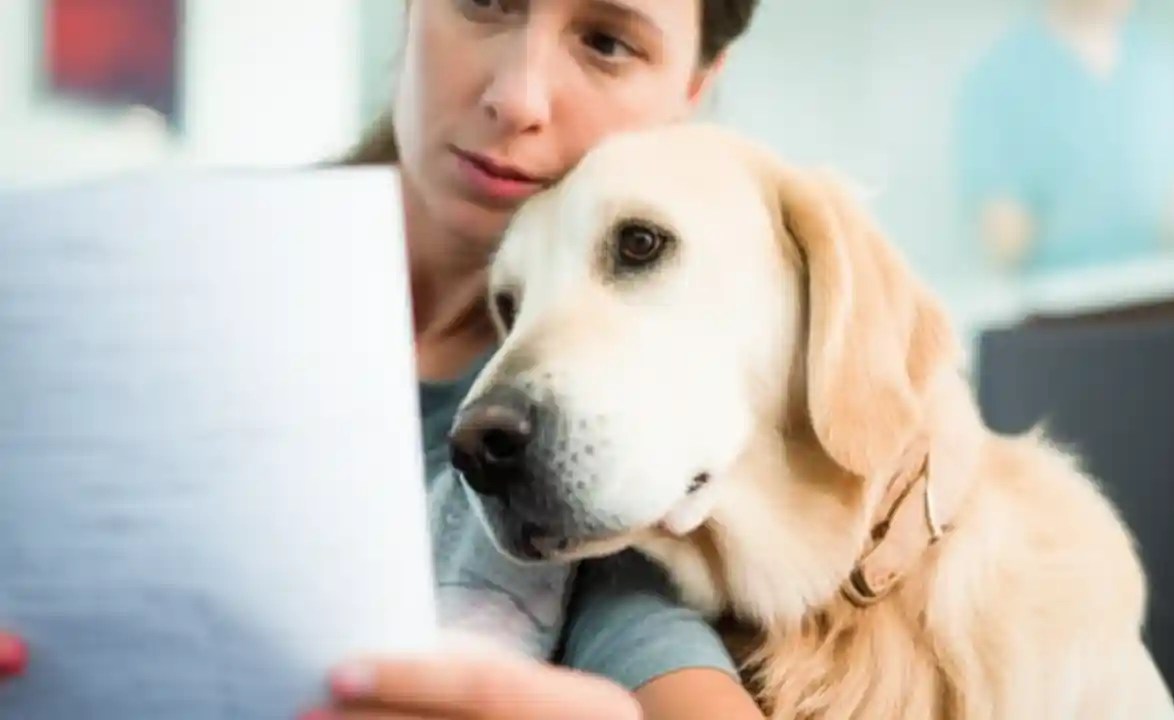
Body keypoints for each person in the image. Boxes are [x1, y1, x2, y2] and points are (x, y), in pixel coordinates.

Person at [0, 1, 768, 718]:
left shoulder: (630, 419)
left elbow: (667, 661)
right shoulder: (128, 276)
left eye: (606, 42)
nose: (518, 98)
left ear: (693, 87)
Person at [955, 0, 1174, 275]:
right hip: (1061, 305)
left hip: (1164, 293)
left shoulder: (1160, 62)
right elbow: (1004, 237)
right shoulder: (1000, 78)